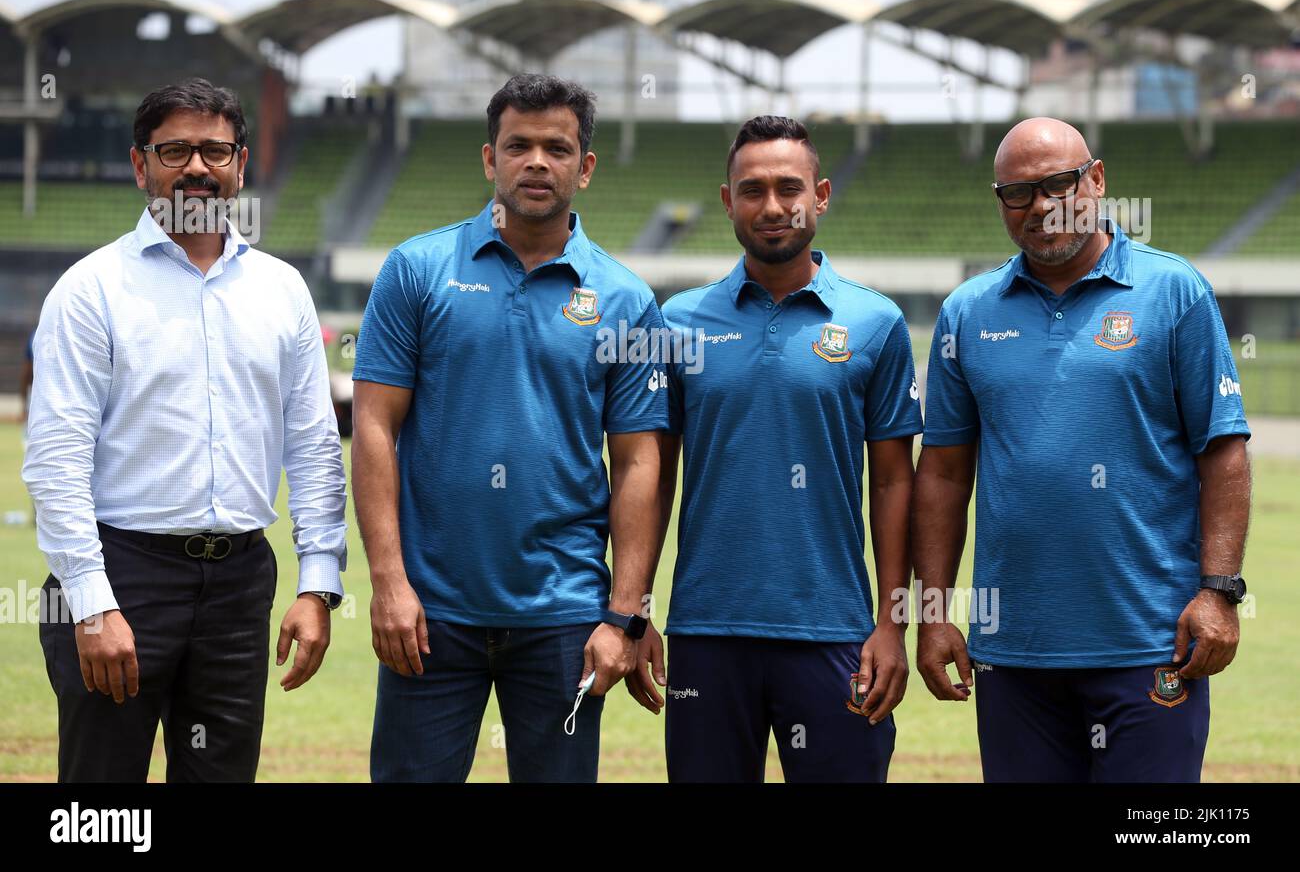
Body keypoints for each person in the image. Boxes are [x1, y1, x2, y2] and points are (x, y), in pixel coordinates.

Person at [22, 78, 347, 782]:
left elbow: (316, 447)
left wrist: (318, 583)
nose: (196, 167)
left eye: (213, 151)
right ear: (142, 166)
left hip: (237, 586)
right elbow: (57, 460)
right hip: (123, 574)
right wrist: (91, 602)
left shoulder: (281, 289)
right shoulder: (92, 289)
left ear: (240, 163)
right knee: (102, 807)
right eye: (174, 150)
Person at [912, 116, 1251, 782]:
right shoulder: (967, 312)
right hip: (1014, 654)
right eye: (1019, 193)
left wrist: (1219, 593)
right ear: (1000, 202)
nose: (1040, 207)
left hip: (1151, 643)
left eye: (1058, 184)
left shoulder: (1173, 291)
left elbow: (1224, 453)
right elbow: (945, 474)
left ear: (1095, 180)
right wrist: (931, 613)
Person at [353, 73, 668, 783]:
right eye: (518, 144)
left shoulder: (625, 298)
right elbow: (373, 427)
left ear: (584, 168)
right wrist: (388, 583)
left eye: (557, 148)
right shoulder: (416, 270)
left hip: (563, 617)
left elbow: (639, 463)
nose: (536, 161)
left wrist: (625, 615)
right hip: (429, 612)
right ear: (489, 159)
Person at [640, 116, 922, 782]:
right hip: (706, 633)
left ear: (820, 195)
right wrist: (636, 611)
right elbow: (649, 476)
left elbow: (894, 483)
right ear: (727, 201)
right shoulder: (677, 322)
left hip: (834, 634)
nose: (772, 206)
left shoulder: (874, 323)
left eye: (788, 188)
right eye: (753, 189)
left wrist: (893, 624)